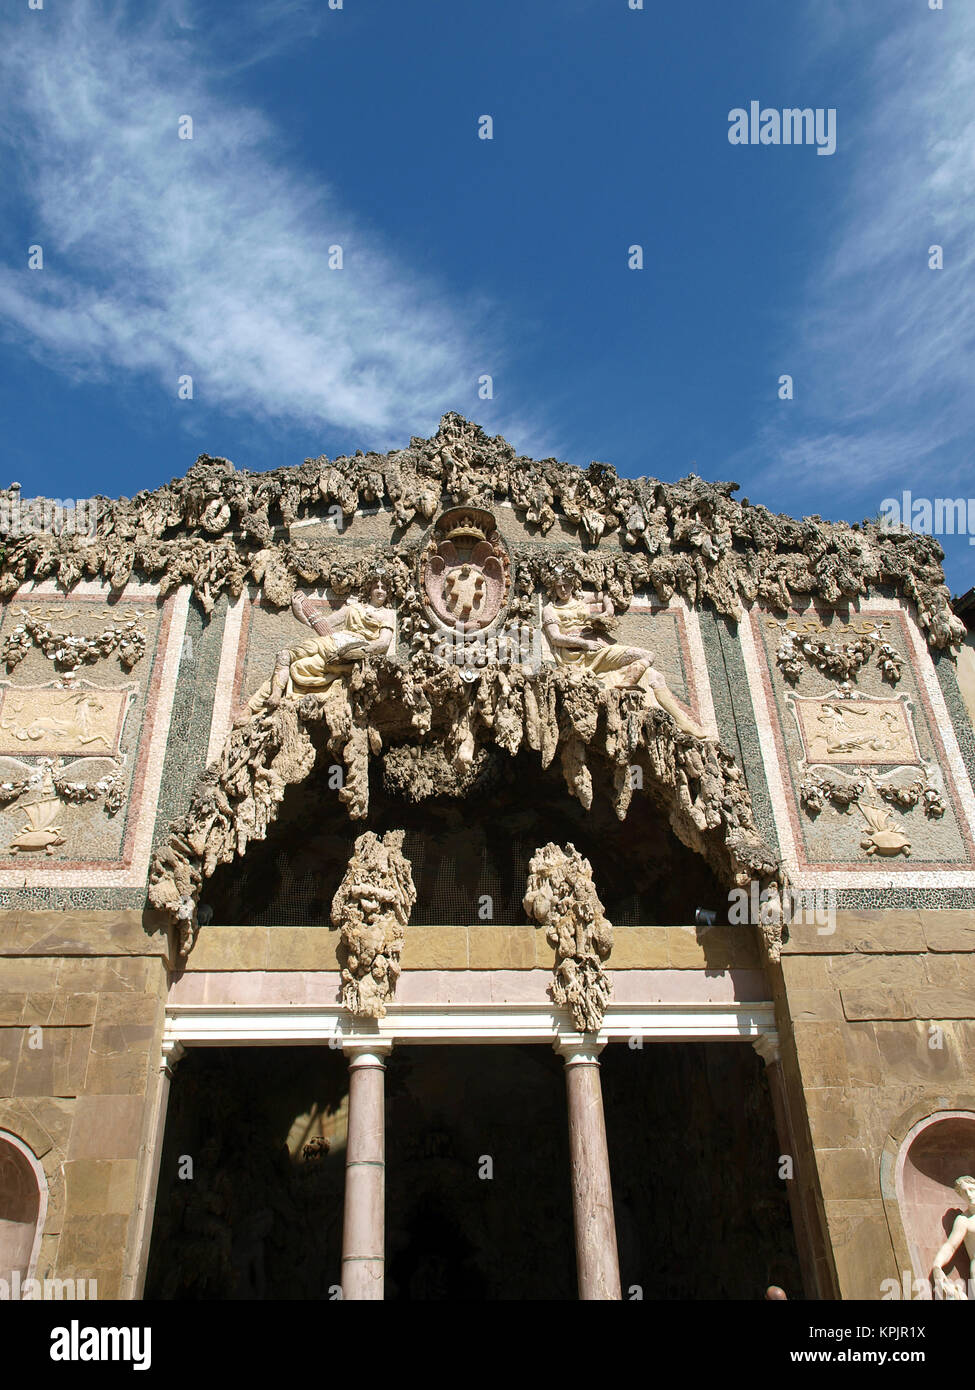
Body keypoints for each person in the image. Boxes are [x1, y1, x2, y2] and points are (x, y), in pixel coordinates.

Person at [541, 574, 711, 739]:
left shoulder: (581, 598)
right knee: (646, 656)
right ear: (553, 588)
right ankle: (627, 683)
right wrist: (584, 644)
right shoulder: (550, 609)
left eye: (567, 585)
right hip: (577, 655)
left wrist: (608, 612)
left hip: (598, 649)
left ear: (573, 585)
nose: (563, 589)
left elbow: (606, 595)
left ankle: (681, 720)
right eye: (559, 586)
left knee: (654, 675)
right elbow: (555, 638)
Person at [241, 579, 394, 719]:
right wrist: (299, 612)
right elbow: (322, 623)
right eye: (376, 587)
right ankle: (263, 702)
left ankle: (269, 703)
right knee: (284, 655)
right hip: (332, 641)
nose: (379, 590)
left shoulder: (387, 615)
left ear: (388, 593)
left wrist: (357, 652)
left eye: (384, 588)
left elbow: (383, 643)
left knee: (299, 666)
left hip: (351, 653)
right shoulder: (353, 608)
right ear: (369, 590)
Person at [932, 1175, 975, 1299]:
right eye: (964, 1192)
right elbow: (950, 1246)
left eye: (972, 1189)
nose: (969, 1194)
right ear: (961, 1196)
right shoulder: (964, 1221)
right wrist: (937, 1266)